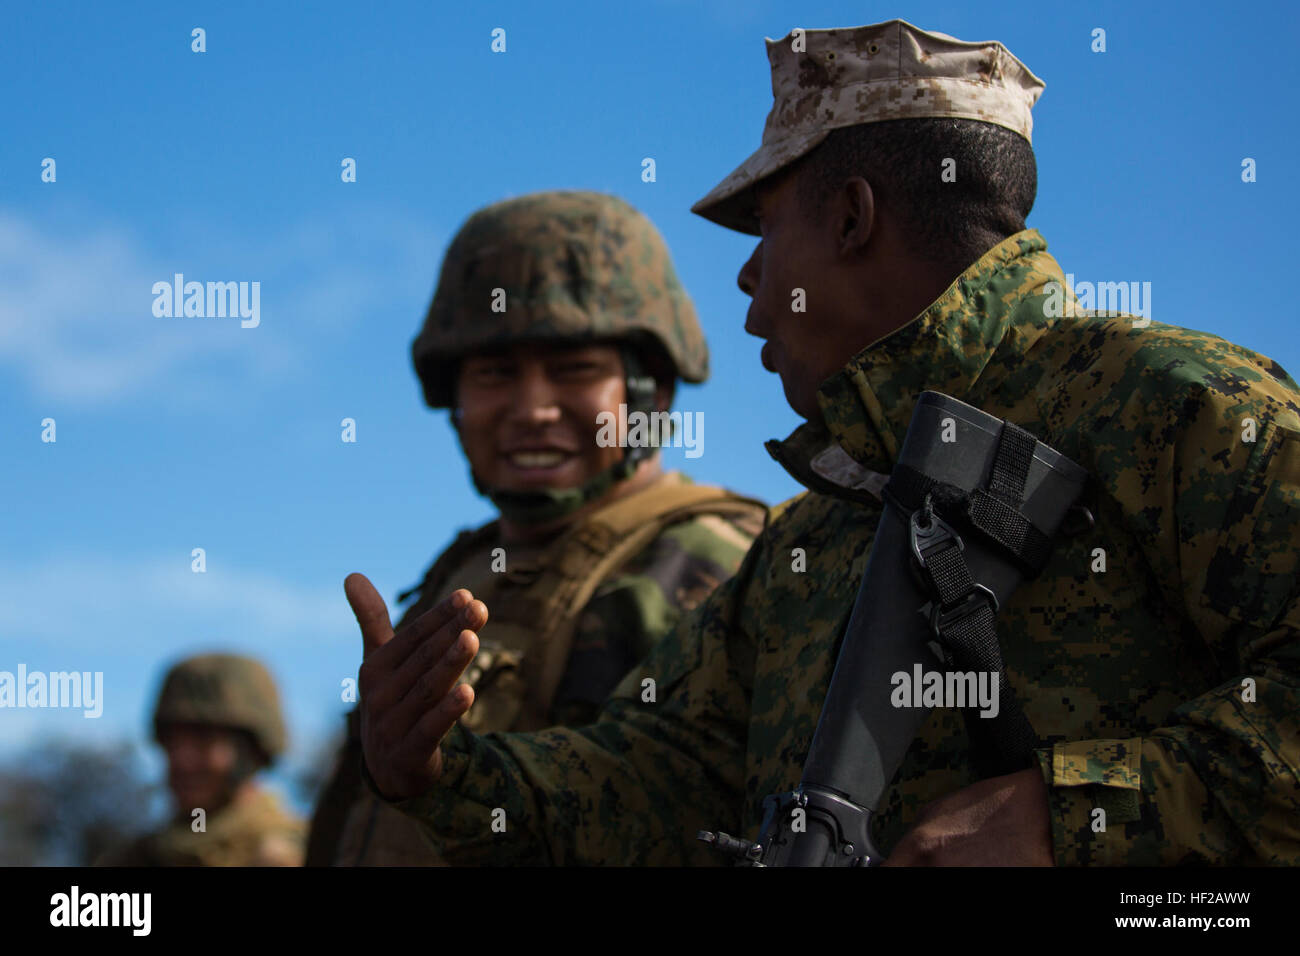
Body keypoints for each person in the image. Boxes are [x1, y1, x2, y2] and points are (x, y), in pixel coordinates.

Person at [350, 20, 1300, 865]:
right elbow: (668, 770)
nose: (749, 281)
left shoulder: (1183, 405)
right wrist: (444, 773)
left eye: (763, 230)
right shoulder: (814, 532)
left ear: (852, 217)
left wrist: (1076, 817)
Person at [306, 191, 767, 865]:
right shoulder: (458, 571)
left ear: (651, 391)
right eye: (494, 374)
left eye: (575, 370)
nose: (532, 410)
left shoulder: (707, 557)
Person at [96, 653, 304, 866]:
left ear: (252, 752)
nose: (181, 761)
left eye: (203, 741)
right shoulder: (133, 859)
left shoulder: (307, 854)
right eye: (172, 741)